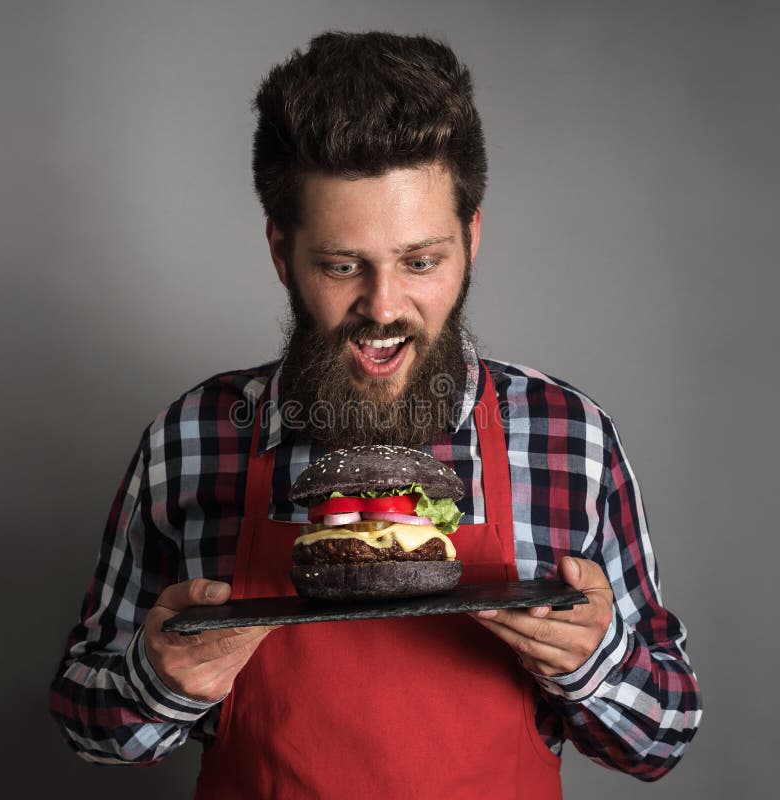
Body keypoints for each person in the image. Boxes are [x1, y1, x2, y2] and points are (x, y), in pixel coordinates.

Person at [50, 31, 702, 798]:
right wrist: (159, 681)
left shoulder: (567, 437)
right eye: (340, 265)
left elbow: (662, 737)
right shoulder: (192, 439)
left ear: (472, 239)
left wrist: (594, 662)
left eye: (420, 262)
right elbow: (84, 722)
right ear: (281, 252)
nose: (384, 307)